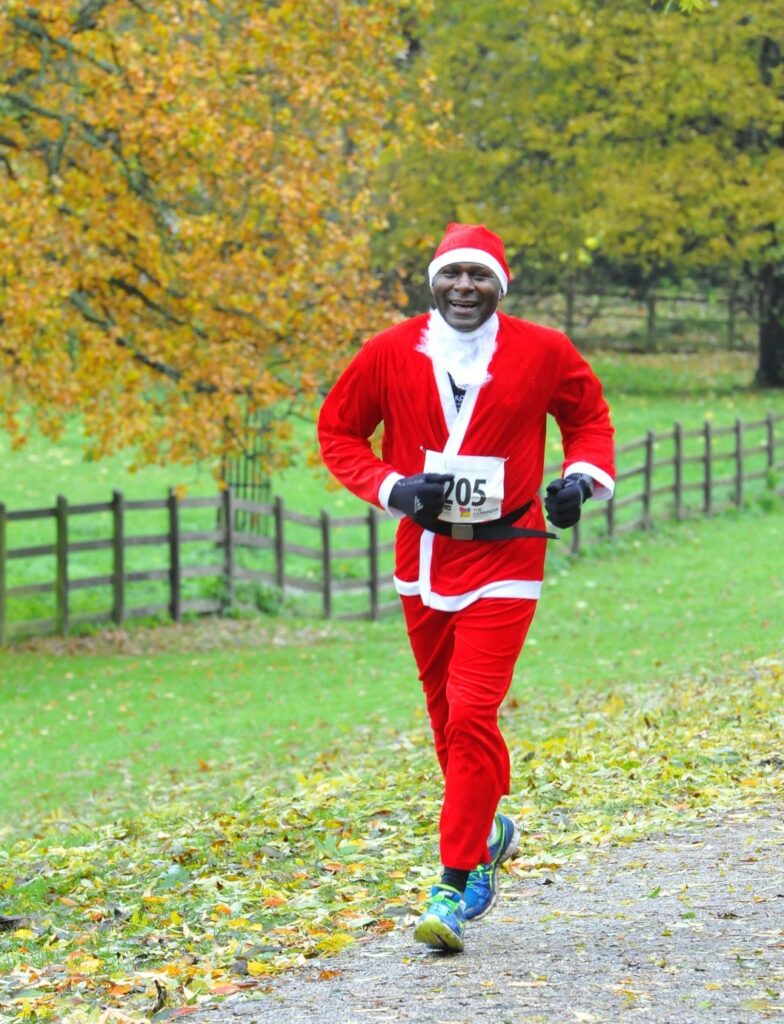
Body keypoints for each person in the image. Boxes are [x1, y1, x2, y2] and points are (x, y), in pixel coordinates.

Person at [318, 223, 615, 953]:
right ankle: (489, 828)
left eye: (480, 276)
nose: (465, 288)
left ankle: (451, 886)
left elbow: (589, 419)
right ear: (434, 280)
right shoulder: (390, 352)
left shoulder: (543, 351)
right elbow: (338, 432)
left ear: (500, 286)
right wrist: (393, 488)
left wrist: (581, 480)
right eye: (453, 274)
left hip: (507, 558)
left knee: (472, 713)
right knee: (445, 716)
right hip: (423, 558)